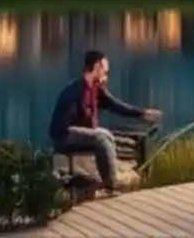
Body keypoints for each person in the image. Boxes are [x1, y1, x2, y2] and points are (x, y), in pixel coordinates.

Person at [49, 50, 160, 194]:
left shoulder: (96, 89)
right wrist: (91, 128)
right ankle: (112, 183)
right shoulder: (76, 90)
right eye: (104, 70)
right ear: (96, 67)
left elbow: (115, 105)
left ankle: (109, 176)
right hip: (64, 134)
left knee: (106, 134)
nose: (105, 75)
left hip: (78, 131)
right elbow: (65, 124)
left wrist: (142, 113)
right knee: (100, 137)